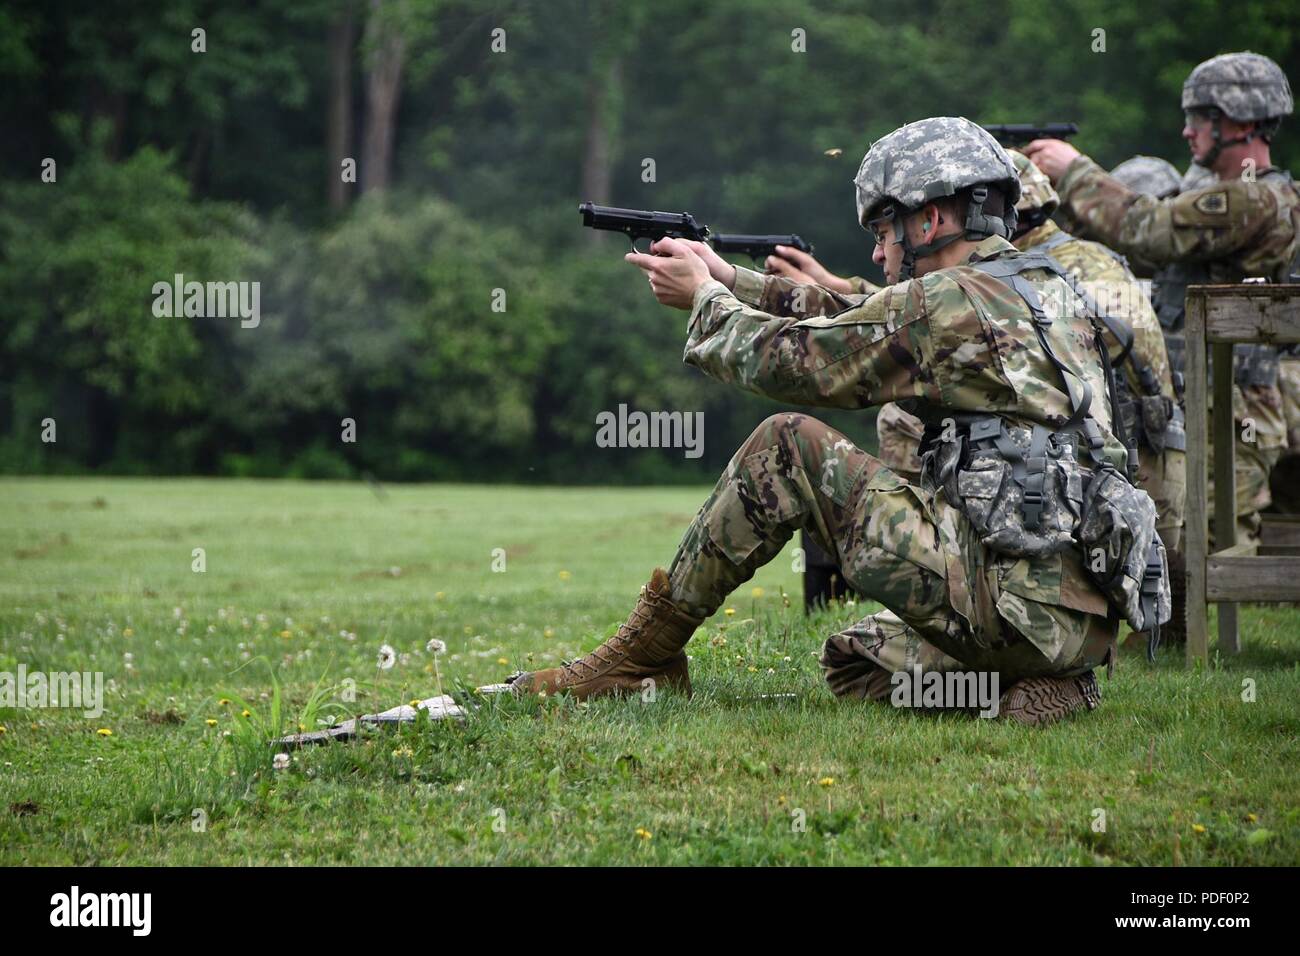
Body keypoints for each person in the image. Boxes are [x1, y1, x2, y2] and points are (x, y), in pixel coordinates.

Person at [504, 117, 1167, 724]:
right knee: (857, 659)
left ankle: (642, 657)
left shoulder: (948, 304)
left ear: (929, 220)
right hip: (1074, 619)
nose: (877, 255)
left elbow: (804, 363)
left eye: (883, 233)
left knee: (788, 447)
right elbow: (866, 315)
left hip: (1015, 606)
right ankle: (1043, 686)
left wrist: (703, 301)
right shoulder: (1044, 288)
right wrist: (730, 279)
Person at [774, 150, 1187, 646]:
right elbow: (934, 315)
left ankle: (950, 584)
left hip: (1117, 480)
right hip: (1120, 488)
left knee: (905, 421)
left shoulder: (1042, 273)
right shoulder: (1052, 269)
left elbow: (940, 318)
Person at [1025, 51, 1300, 549]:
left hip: (1232, 401)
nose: (1187, 132)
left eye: (1199, 118)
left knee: (1219, 542)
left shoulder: (1253, 197)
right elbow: (1148, 252)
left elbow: (1151, 231)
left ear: (1241, 122)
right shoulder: (1235, 197)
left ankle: (1214, 629)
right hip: (1209, 394)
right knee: (1180, 537)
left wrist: (1074, 172)